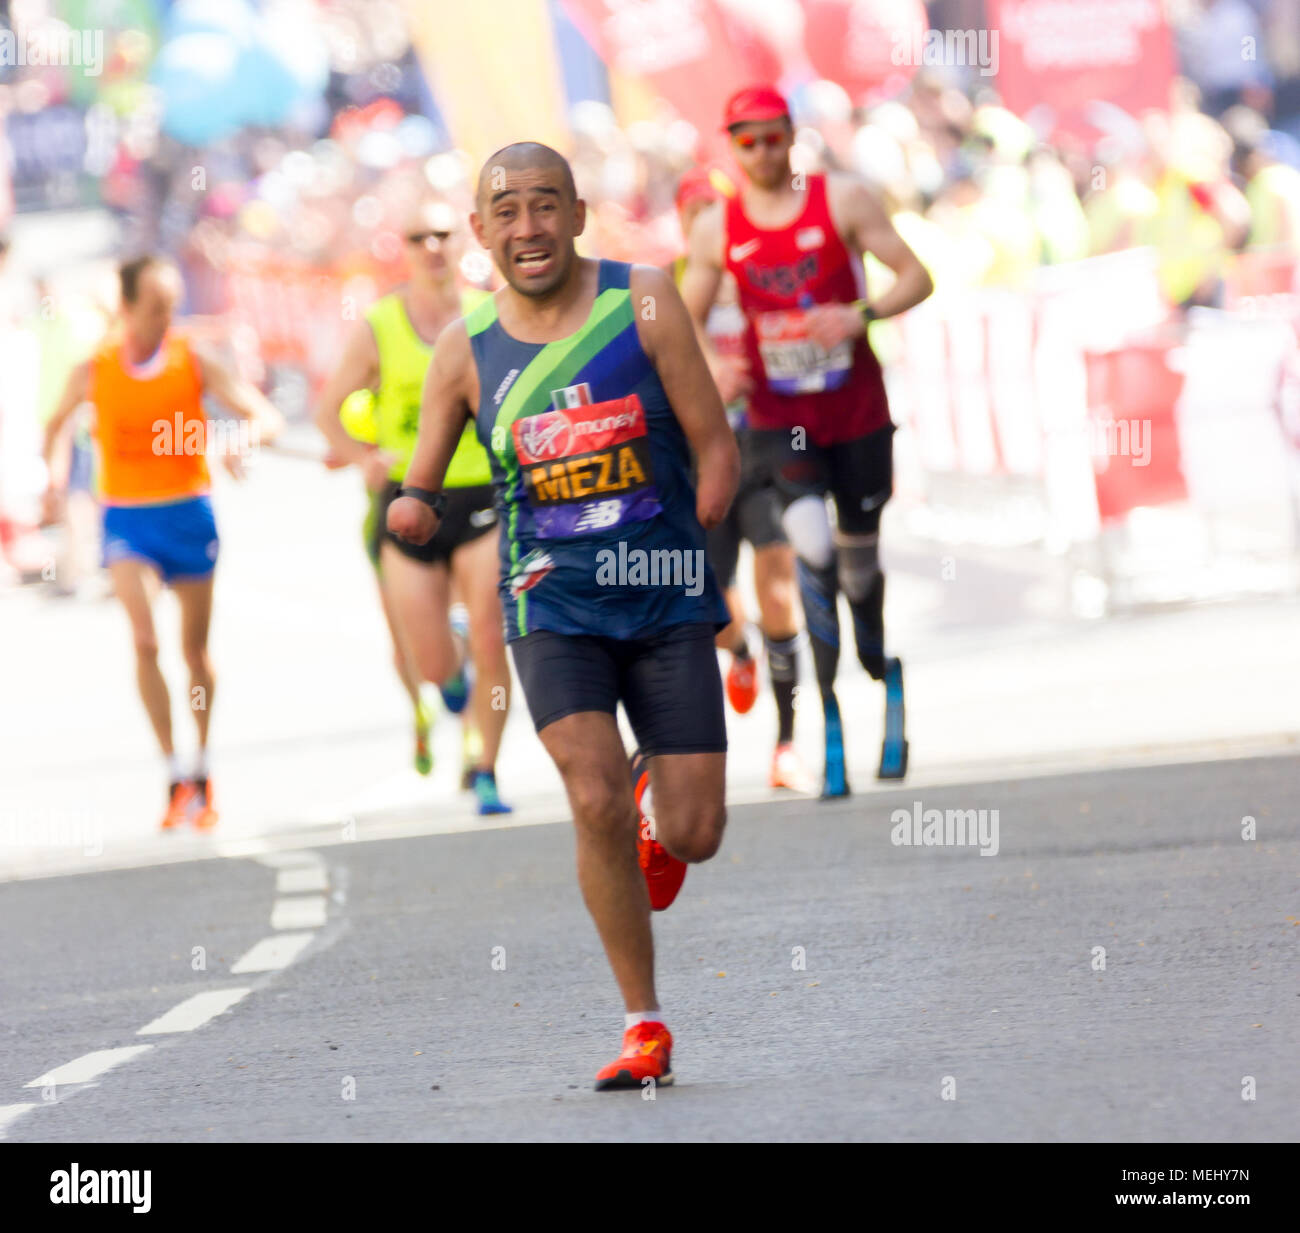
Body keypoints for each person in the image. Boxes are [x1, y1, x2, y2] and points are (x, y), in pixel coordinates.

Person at [387, 143, 739, 1089]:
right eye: (507, 211)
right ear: (481, 232)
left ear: (579, 215)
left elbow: (715, 448)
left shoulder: (647, 299)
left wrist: (707, 526)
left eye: (545, 206)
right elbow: (421, 474)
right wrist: (411, 504)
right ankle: (644, 1023)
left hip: (664, 592)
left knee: (697, 830)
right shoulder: (464, 350)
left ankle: (658, 816)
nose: (528, 227)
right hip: (553, 606)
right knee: (589, 798)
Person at [680, 84, 933, 795]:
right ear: (730, 148)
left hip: (854, 414)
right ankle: (827, 725)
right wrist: (715, 362)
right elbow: (679, 318)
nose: (761, 152)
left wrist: (862, 312)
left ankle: (884, 671)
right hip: (777, 422)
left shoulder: (843, 200)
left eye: (771, 137)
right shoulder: (716, 229)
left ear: (791, 135)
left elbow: (917, 275)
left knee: (857, 566)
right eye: (746, 141)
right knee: (809, 551)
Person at [40, 255, 283, 829]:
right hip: (127, 522)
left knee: (194, 653)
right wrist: (54, 482)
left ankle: (202, 766)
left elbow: (263, 415)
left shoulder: (192, 358)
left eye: (170, 308)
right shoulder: (95, 369)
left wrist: (239, 439)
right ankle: (173, 773)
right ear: (125, 309)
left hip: (188, 517)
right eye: (153, 309)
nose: (164, 319)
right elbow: (53, 427)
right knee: (146, 640)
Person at [316, 198, 512, 813]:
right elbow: (328, 411)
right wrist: (359, 454)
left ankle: (486, 770)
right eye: (418, 237)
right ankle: (452, 684)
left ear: (465, 242)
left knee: (489, 634)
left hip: (483, 496)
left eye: (444, 235)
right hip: (407, 501)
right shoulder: (381, 324)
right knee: (430, 665)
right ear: (403, 249)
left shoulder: (494, 314)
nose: (433, 247)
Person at [674, 165, 811, 792]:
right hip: (705, 462)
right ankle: (739, 651)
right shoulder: (665, 295)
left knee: (779, 586)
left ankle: (787, 742)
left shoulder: (760, 274)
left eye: (713, 209)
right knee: (718, 610)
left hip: (766, 451)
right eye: (692, 211)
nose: (704, 221)